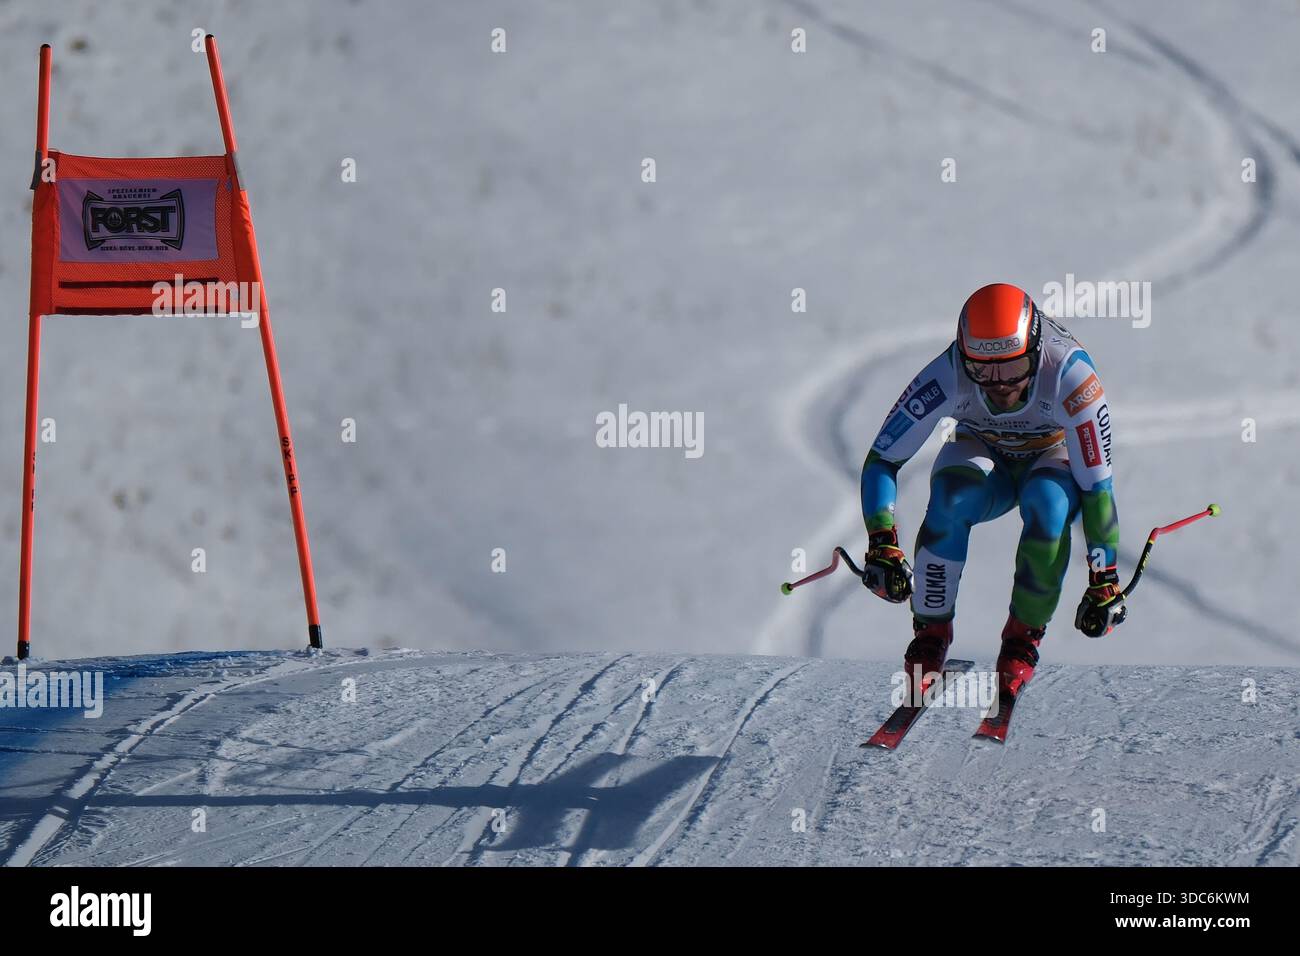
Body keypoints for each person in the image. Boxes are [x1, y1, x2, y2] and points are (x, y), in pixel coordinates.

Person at [860, 283, 1125, 702]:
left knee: (1049, 506)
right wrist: (882, 543)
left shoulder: (1072, 377)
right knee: (950, 499)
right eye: (982, 371)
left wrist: (1103, 578)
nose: (999, 385)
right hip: (985, 453)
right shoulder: (947, 372)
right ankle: (930, 633)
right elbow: (882, 460)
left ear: (1036, 350)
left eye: (1013, 368)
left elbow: (1097, 488)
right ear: (964, 355)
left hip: (1051, 456)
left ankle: (1022, 640)